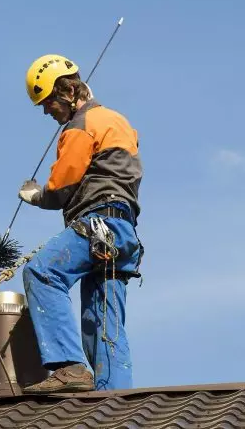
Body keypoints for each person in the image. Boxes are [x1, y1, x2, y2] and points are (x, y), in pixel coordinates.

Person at [17, 54, 143, 393]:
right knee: (105, 323)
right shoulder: (117, 121)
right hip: (122, 234)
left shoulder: (80, 127)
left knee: (42, 271)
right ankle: (115, 402)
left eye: (47, 102)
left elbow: (61, 187)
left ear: (67, 91)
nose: (47, 111)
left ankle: (68, 367)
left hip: (98, 223)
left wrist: (36, 194)